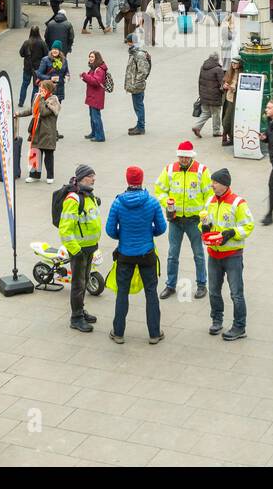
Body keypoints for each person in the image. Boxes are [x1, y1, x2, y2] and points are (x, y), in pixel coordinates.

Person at [104, 166, 167, 344]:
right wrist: (149, 233)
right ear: (141, 180)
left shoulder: (118, 203)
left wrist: (123, 236)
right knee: (151, 293)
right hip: (147, 254)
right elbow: (161, 228)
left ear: (127, 180)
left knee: (122, 293)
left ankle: (118, 332)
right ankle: (154, 333)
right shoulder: (152, 202)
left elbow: (110, 230)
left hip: (125, 254)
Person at [153, 141, 212, 300]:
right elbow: (159, 189)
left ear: (191, 156)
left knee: (198, 254)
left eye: (186, 157)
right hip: (176, 220)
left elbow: (209, 195)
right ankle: (170, 285)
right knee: (172, 254)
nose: (183, 160)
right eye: (181, 157)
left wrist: (205, 212)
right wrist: (167, 202)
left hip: (194, 220)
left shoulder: (202, 170)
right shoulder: (170, 169)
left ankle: (201, 285)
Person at [201, 168, 254, 340]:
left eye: (215, 182)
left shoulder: (238, 203)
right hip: (214, 254)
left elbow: (248, 226)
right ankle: (217, 320)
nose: (212, 185)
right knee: (214, 291)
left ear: (224, 184)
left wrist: (231, 233)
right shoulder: (210, 201)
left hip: (232, 256)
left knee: (236, 293)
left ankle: (240, 327)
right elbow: (203, 222)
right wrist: (204, 227)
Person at [58, 164, 102, 333]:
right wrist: (76, 251)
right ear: (84, 178)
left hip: (89, 248)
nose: (94, 178)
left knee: (83, 281)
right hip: (80, 250)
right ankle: (76, 318)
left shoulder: (88, 194)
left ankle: (80, 310)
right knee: (78, 284)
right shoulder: (74, 199)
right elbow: (65, 229)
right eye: (92, 176)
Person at [18, 79, 60, 184]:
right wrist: (19, 114)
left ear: (48, 90)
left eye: (43, 88)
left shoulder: (53, 101)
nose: (40, 89)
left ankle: (50, 176)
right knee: (35, 153)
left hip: (47, 132)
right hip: (36, 130)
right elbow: (32, 110)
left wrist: (41, 99)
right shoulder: (37, 97)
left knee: (48, 156)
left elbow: (44, 112)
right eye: (40, 87)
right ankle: (34, 175)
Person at [192, 52, 226, 138]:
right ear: (217, 59)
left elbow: (199, 81)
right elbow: (222, 83)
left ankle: (197, 126)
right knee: (216, 114)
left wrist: (201, 94)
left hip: (204, 95)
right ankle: (216, 131)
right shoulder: (218, 69)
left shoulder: (203, 67)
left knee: (205, 112)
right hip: (215, 96)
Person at [124, 33, 151, 136]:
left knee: (139, 106)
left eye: (128, 42)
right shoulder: (134, 53)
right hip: (134, 85)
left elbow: (143, 71)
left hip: (137, 86)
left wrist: (136, 83)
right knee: (137, 106)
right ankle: (139, 125)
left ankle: (141, 127)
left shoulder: (139, 54)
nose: (127, 44)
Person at [80, 51, 108, 143]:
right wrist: (84, 77)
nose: (90, 58)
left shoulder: (99, 69)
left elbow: (96, 82)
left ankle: (100, 136)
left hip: (96, 96)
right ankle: (94, 132)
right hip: (92, 95)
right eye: (89, 57)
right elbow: (91, 80)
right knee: (92, 116)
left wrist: (85, 75)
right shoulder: (94, 68)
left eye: (92, 57)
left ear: (97, 58)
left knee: (96, 117)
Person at [18, 26, 47, 108]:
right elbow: (46, 54)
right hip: (38, 68)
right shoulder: (42, 43)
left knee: (24, 84)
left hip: (27, 67)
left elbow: (21, 53)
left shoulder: (26, 42)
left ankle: (21, 102)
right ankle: (32, 104)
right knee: (35, 86)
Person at [220, 59, 242, 147]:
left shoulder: (241, 73)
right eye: (232, 63)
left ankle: (229, 137)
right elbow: (223, 83)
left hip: (234, 99)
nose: (233, 64)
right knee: (225, 119)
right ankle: (226, 136)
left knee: (229, 120)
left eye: (236, 63)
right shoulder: (230, 72)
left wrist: (233, 89)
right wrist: (224, 85)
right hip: (227, 98)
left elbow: (242, 87)